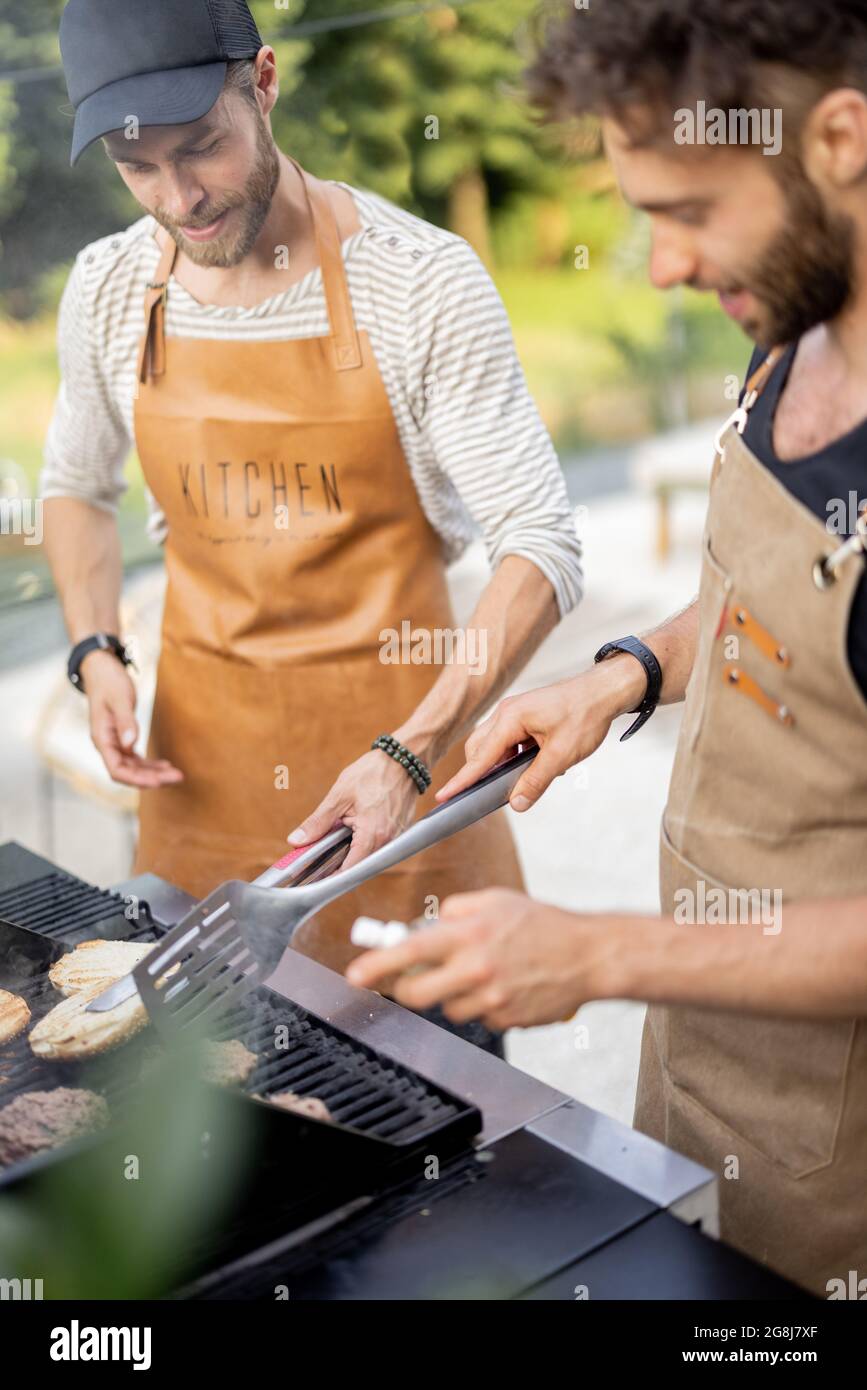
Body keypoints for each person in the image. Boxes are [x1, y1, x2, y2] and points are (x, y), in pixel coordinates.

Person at [348, 0, 867, 1293]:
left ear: (841, 140)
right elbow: (794, 613)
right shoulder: (790, 337)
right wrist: (621, 671)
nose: (653, 267)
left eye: (684, 212)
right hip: (712, 1045)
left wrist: (592, 952)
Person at [41, 0, 583, 1024]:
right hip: (199, 809)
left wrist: (411, 754)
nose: (180, 197)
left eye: (202, 146)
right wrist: (94, 646)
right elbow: (73, 482)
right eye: (138, 166)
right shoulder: (110, 290)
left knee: (443, 1139)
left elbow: (543, 544)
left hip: (404, 807)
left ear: (267, 82)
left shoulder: (418, 282)